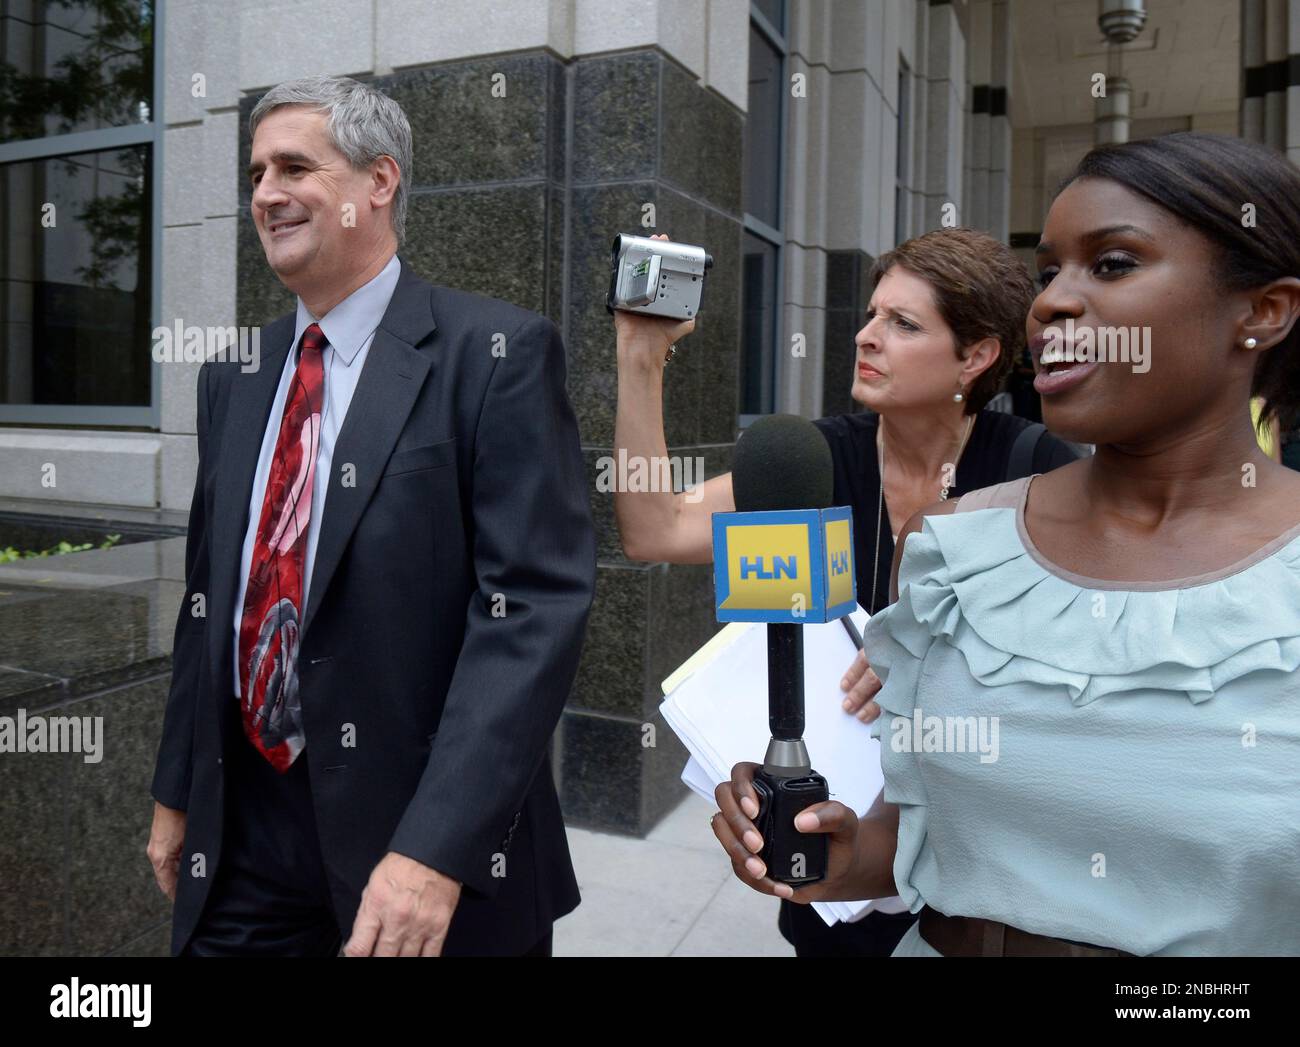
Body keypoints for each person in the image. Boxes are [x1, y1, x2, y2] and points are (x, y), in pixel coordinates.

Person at [713, 131, 1300, 956]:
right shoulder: (958, 545)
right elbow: (914, 836)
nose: (1053, 302)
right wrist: (836, 856)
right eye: (1052, 269)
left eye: (1114, 263)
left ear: (1262, 311)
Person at [145, 76, 595, 957]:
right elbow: (211, 602)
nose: (266, 194)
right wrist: (176, 790)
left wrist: (436, 849)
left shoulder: (494, 357)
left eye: (293, 167)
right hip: (247, 825)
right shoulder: (231, 375)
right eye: (256, 173)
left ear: (378, 183)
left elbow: (533, 616)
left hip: (418, 840)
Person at [614, 228, 1078, 956]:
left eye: (903, 323)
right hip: (824, 856)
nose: (866, 336)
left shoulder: (1035, 470)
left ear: (977, 354)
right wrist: (642, 358)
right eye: (870, 314)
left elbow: (1074, 683)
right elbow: (655, 527)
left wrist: (933, 669)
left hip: (969, 878)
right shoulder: (815, 459)